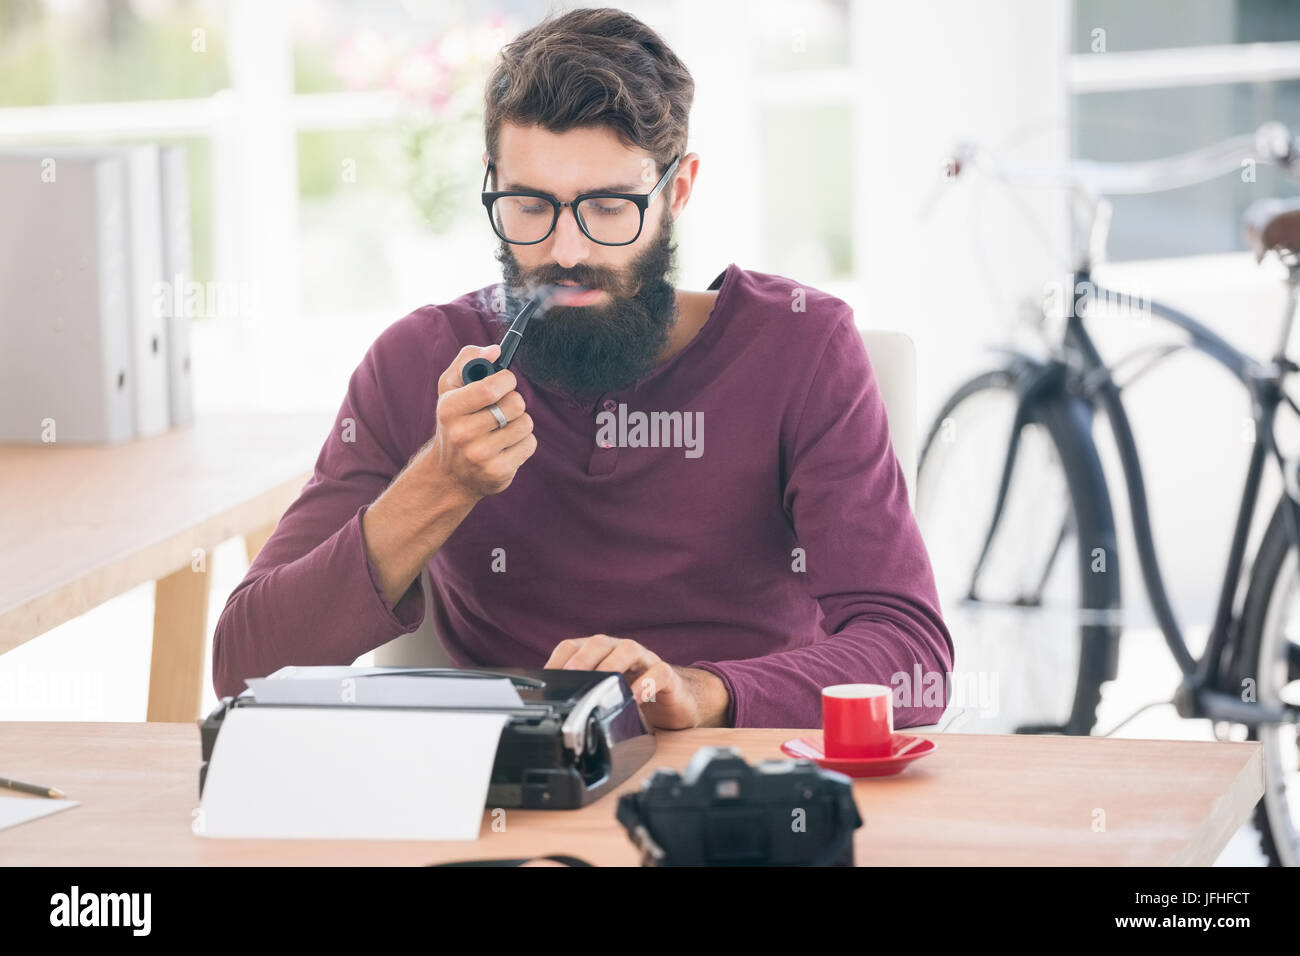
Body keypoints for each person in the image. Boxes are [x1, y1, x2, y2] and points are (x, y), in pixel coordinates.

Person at [212, 7, 954, 730]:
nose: (567, 251)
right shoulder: (418, 361)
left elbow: (913, 657)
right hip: (509, 786)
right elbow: (244, 667)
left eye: (608, 208)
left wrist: (700, 694)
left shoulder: (801, 348)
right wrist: (441, 481)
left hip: (748, 778)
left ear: (678, 191)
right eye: (531, 206)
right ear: (492, 182)